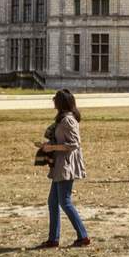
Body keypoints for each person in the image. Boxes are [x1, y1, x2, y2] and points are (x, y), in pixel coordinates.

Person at [36, 90, 90, 248]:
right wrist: (47, 145)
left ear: (61, 102)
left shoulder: (68, 120)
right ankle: (53, 239)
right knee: (53, 202)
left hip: (66, 164)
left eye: (55, 99)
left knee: (65, 202)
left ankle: (83, 236)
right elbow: (62, 140)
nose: (53, 100)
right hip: (59, 164)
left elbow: (74, 144)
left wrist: (52, 147)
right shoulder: (62, 119)